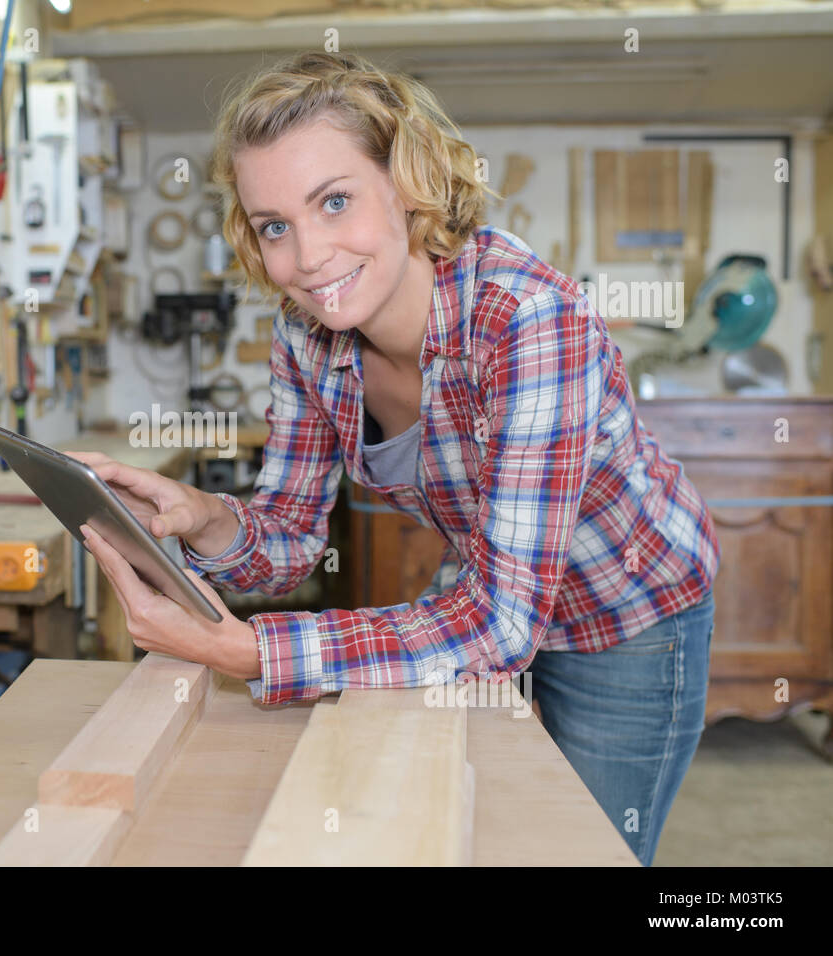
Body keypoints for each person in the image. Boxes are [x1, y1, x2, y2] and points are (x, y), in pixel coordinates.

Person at [73, 50, 719, 867]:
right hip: (497, 589)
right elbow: (289, 542)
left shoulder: (527, 320)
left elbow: (498, 626)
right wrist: (202, 516)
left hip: (630, 611)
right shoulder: (304, 336)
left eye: (334, 202)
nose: (307, 258)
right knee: (483, 831)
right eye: (275, 225)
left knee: (581, 849)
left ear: (409, 188)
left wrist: (256, 653)